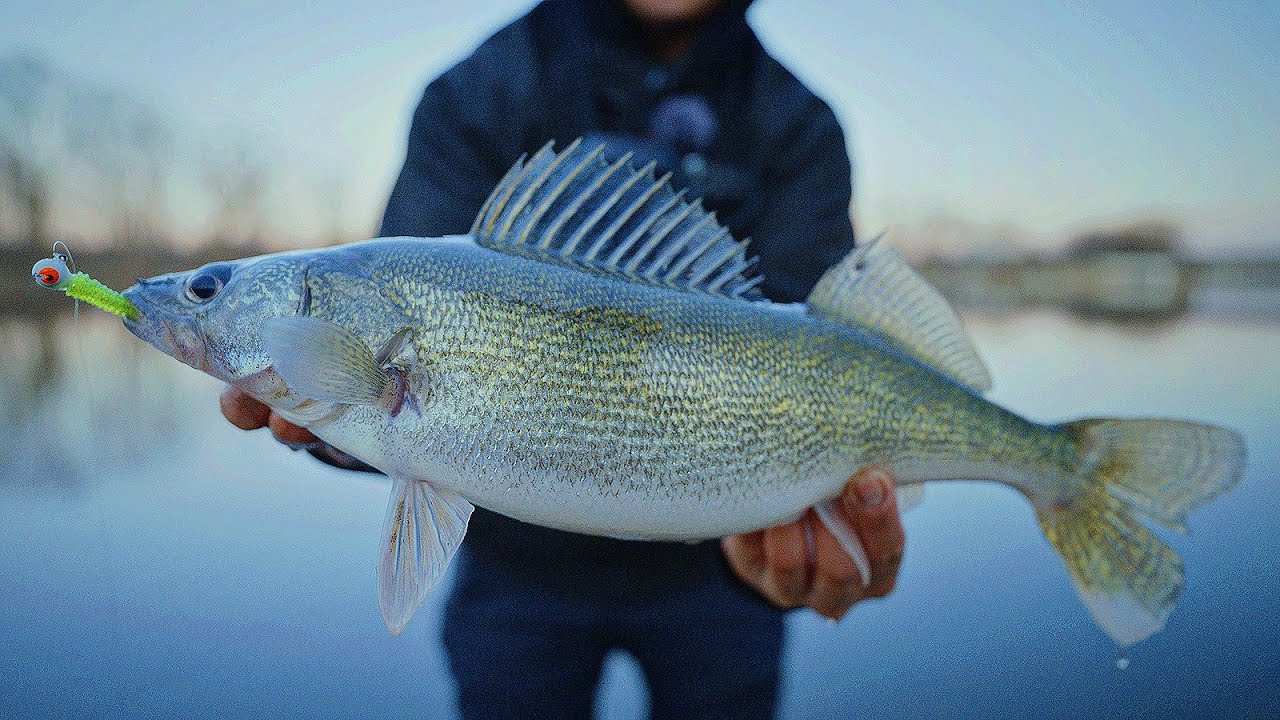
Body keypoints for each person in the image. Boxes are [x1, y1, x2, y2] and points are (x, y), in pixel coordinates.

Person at [220, 1, 907, 718]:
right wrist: (333, 428)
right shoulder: (480, 91)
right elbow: (397, 354)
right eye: (214, 290)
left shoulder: (796, 122)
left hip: (725, 573)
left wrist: (802, 528)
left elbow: (818, 354)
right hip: (513, 574)